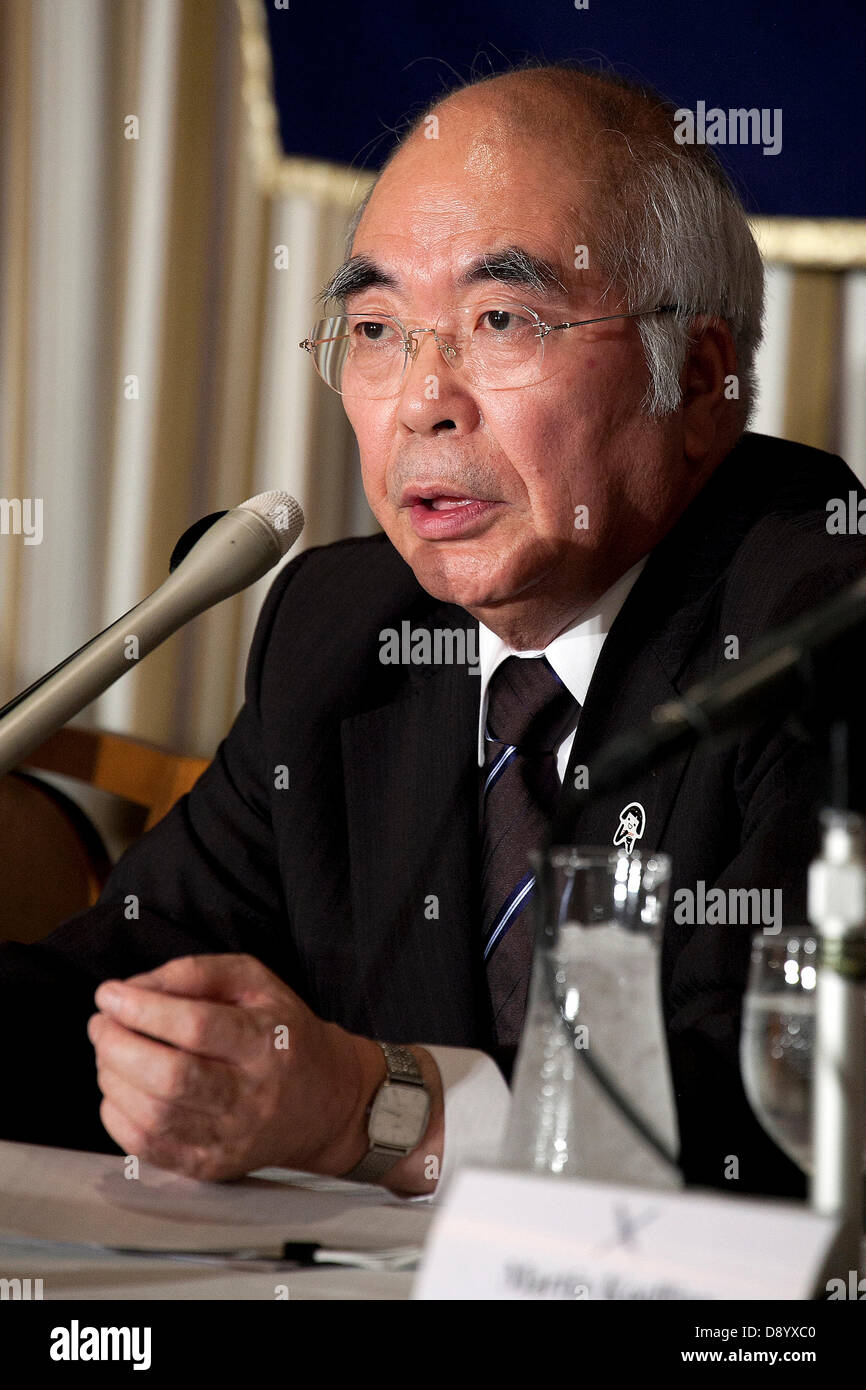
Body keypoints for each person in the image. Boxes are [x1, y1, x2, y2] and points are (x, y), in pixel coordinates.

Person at [3, 62, 864, 1202]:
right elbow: (121, 993)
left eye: (499, 319)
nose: (421, 398)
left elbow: (784, 1116)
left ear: (700, 376)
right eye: (375, 327)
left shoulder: (817, 638)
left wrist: (373, 1109)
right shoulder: (344, 632)